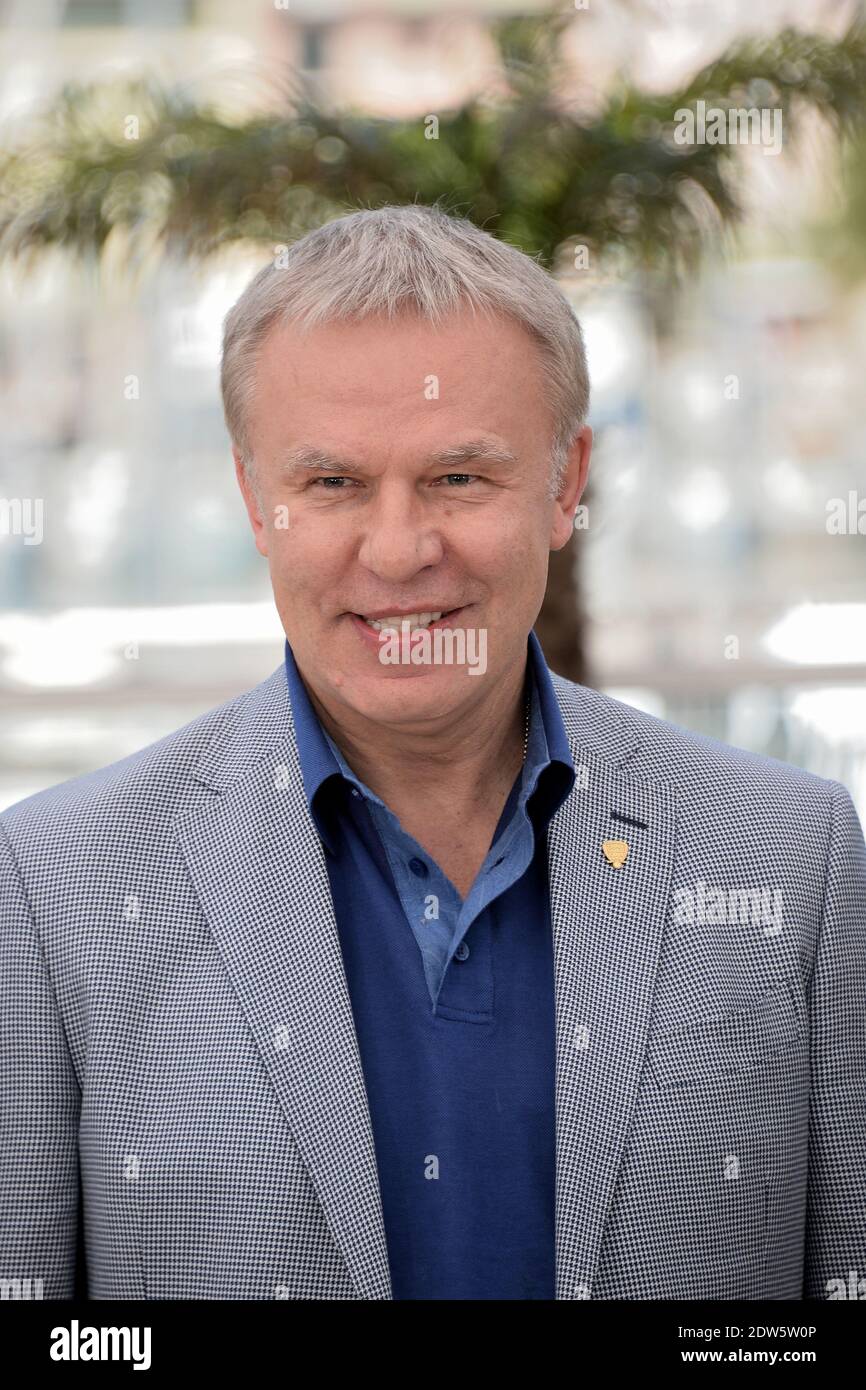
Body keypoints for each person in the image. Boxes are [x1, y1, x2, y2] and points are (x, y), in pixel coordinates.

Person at [1, 204, 863, 1301]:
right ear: (252, 500)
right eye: (332, 483)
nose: (400, 550)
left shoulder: (790, 853)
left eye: (459, 478)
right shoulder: (51, 884)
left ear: (564, 485)